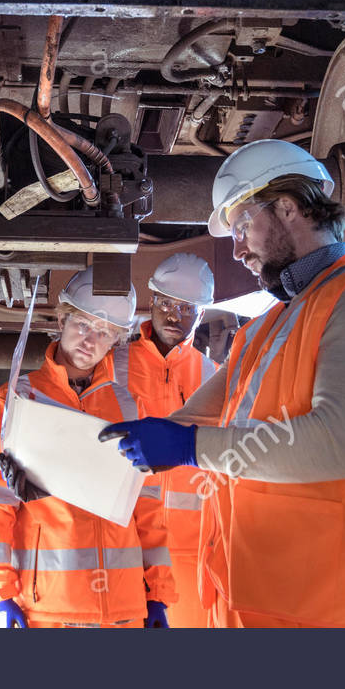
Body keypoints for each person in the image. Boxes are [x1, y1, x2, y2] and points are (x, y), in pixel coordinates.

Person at [100, 139, 345, 628]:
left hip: (334, 610)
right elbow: (177, 427)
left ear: (288, 208)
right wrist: (57, 473)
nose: (236, 249)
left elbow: (332, 445)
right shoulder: (263, 328)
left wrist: (189, 447)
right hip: (247, 603)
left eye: (241, 227)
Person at [0, 267, 177, 628]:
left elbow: (149, 510)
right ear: (62, 319)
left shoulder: (132, 408)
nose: (90, 341)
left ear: (116, 340)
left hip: (123, 611)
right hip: (47, 609)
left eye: (105, 332)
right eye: (83, 324)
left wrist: (158, 593)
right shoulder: (15, 402)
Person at [125, 253, 219, 627]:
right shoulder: (114, 364)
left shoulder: (215, 378)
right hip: (123, 542)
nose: (173, 316)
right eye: (165, 303)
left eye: (186, 308)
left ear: (201, 314)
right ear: (151, 300)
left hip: (192, 556)